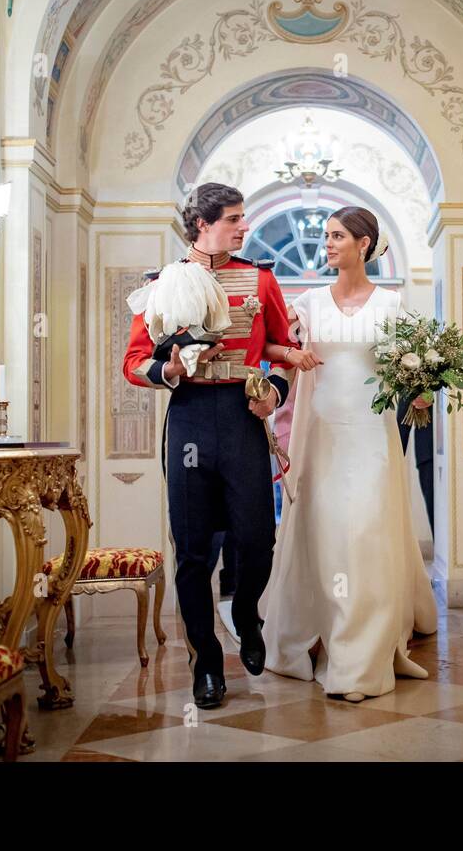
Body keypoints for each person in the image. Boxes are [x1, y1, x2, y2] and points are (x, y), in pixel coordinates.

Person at [123, 182, 294, 710]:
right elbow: (133, 363)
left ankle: (246, 612)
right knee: (193, 551)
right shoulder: (161, 285)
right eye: (234, 219)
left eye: (243, 219)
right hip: (191, 418)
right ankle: (207, 665)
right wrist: (169, 369)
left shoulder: (263, 280)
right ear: (203, 224)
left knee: (257, 538)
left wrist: (275, 394)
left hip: (243, 417)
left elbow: (286, 352)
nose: (244, 227)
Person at [259, 206, 439, 702]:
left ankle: (360, 656)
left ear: (364, 244)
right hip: (321, 435)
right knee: (327, 535)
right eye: (326, 236)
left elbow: (413, 367)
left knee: (364, 532)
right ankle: (320, 633)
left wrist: (422, 389)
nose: (328, 244)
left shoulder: (392, 304)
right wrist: (285, 364)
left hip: (372, 435)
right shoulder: (309, 304)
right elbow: (281, 354)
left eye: (337, 235)